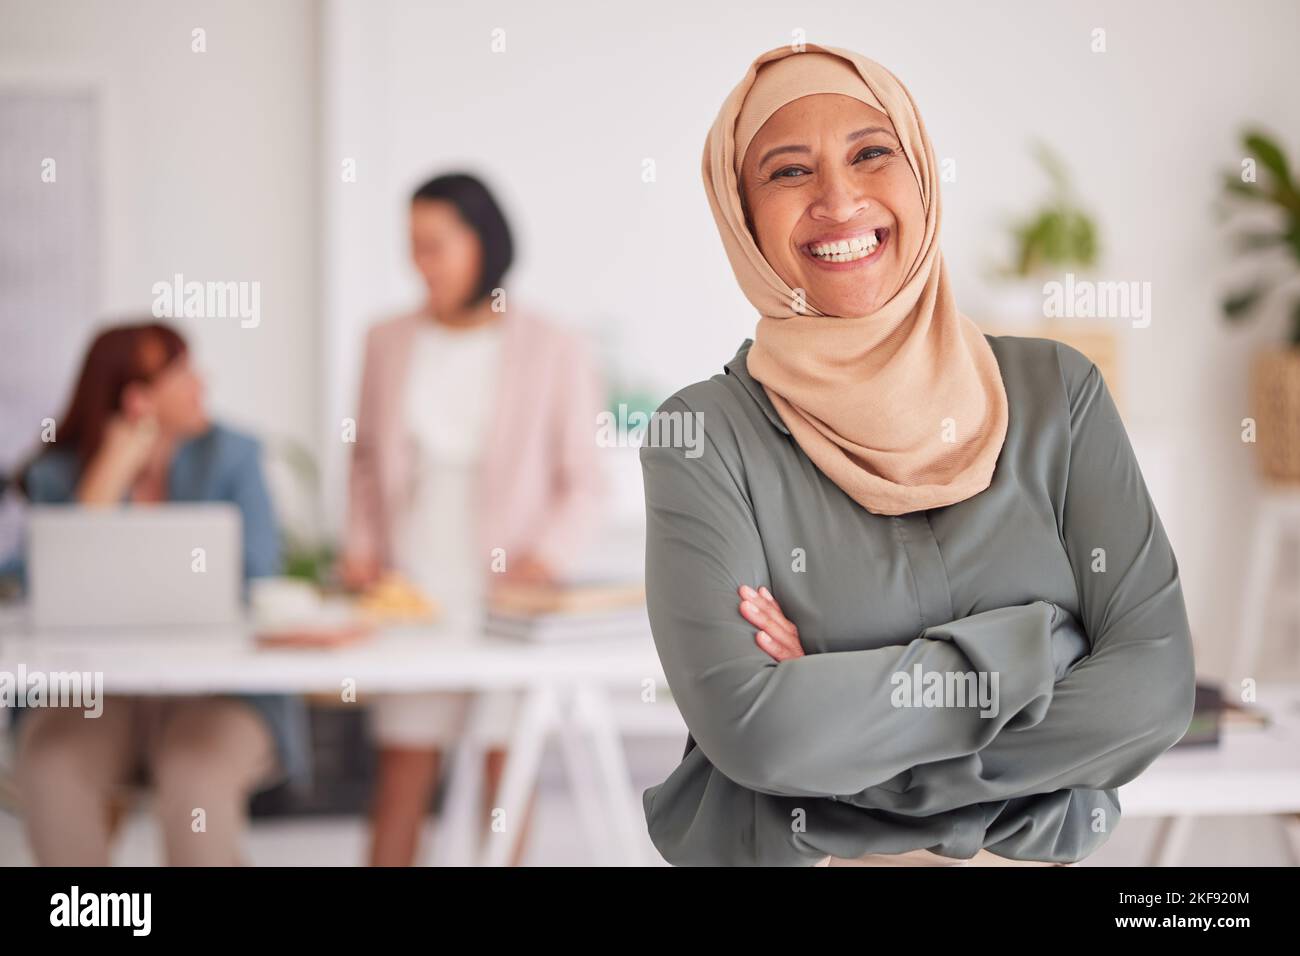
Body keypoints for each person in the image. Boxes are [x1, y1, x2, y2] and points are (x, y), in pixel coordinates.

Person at [639, 45, 1196, 866]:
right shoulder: (702, 437)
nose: (838, 198)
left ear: (923, 176)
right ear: (743, 217)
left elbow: (1151, 695)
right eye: (788, 172)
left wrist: (851, 748)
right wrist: (1045, 647)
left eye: (870, 152)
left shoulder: (1059, 394)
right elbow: (761, 734)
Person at [340, 172, 607, 866]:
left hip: (507, 594)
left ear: (482, 245)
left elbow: (583, 480)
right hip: (411, 588)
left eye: (435, 245)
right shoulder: (387, 340)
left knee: (502, 774)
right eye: (412, 246)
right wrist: (362, 549)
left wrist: (543, 562)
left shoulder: (553, 345)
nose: (419, 263)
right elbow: (365, 461)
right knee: (402, 771)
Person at [10, 320, 309, 866]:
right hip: (97, 693)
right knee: (53, 769)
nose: (202, 382)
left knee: (195, 780)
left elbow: (259, 570)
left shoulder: (234, 455)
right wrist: (108, 479)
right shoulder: (61, 474)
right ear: (137, 396)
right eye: (182, 372)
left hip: (216, 695)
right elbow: (35, 583)